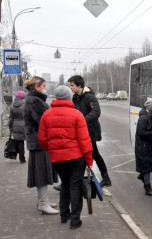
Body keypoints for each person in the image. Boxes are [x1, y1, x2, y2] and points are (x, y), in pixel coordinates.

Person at [38, 85, 93, 230]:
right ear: (69, 97)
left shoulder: (47, 115)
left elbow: (42, 139)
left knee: (65, 184)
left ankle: (64, 215)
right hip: (76, 158)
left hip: (58, 159)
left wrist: (52, 150)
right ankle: (75, 220)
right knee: (75, 185)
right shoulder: (76, 114)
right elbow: (84, 140)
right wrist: (89, 160)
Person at [67, 75, 112, 187]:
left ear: (79, 86)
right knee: (84, 154)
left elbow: (96, 112)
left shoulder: (89, 97)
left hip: (90, 131)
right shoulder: (75, 97)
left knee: (94, 154)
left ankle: (105, 178)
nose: (70, 87)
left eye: (72, 85)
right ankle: (76, 180)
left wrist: (82, 121)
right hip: (80, 130)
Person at [24, 76, 59, 215]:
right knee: (41, 172)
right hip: (39, 142)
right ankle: (43, 203)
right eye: (43, 85)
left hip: (38, 142)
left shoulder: (34, 99)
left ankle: (43, 200)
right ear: (37, 87)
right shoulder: (35, 101)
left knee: (43, 171)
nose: (45, 88)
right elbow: (43, 122)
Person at [135, 98, 152, 196]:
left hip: (147, 145)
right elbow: (141, 132)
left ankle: (142, 176)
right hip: (143, 147)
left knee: (150, 165)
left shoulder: (150, 115)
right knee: (147, 168)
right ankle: (147, 189)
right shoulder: (143, 118)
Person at [9, 90, 26, 163]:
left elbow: (10, 118)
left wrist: (11, 127)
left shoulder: (12, 106)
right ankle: (22, 159)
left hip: (14, 125)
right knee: (21, 142)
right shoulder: (25, 105)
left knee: (16, 140)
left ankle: (13, 155)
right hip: (23, 125)